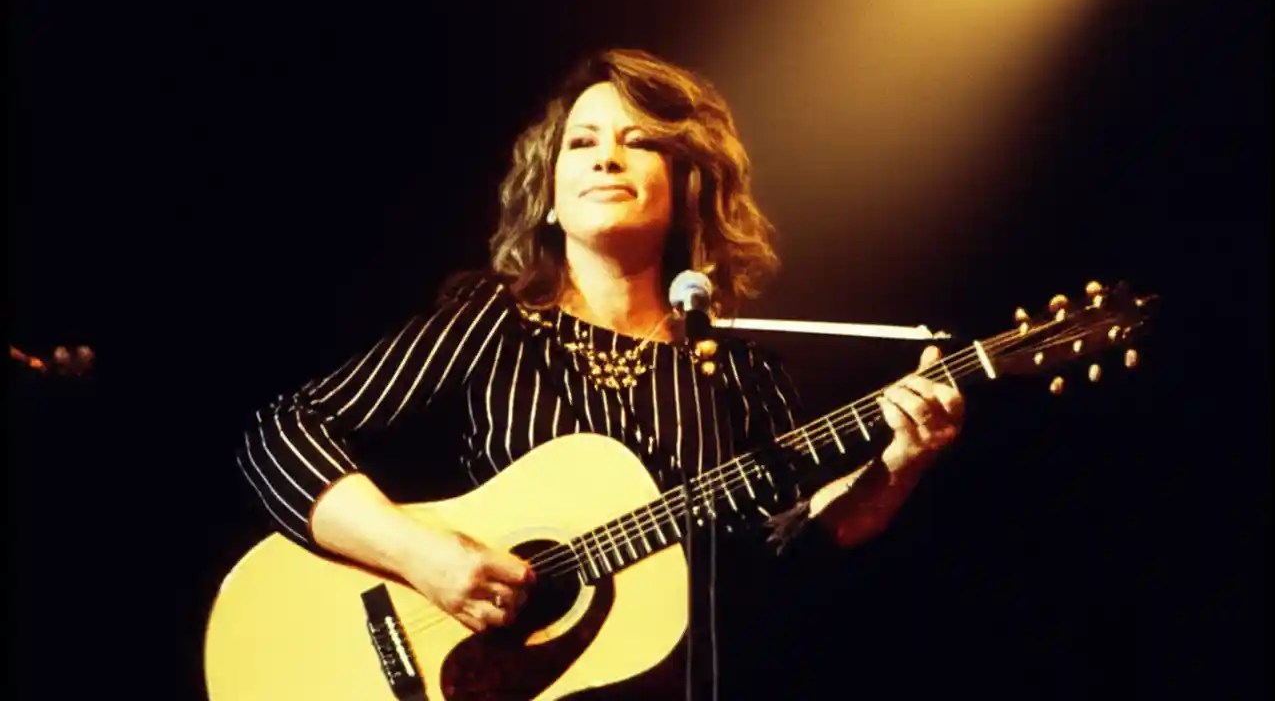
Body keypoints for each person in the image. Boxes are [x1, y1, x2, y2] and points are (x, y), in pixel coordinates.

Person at [233, 48, 964, 698]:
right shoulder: (496, 322)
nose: (607, 158)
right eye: (582, 143)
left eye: (638, 142)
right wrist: (426, 558)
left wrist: (897, 467)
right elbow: (283, 435)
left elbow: (786, 551)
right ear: (550, 198)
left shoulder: (740, 373)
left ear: (685, 189)